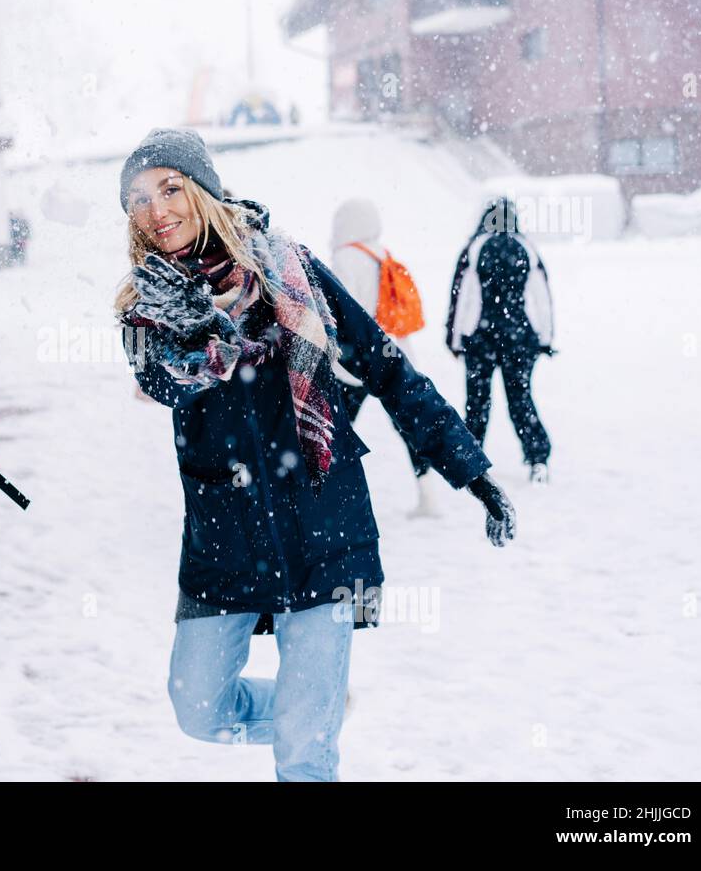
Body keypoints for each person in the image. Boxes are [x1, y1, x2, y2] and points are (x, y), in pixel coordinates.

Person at [115, 127, 516, 782]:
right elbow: (161, 385)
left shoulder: (290, 264)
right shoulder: (144, 304)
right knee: (197, 707)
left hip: (323, 523)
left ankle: (311, 721)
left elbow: (386, 366)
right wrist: (187, 330)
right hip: (224, 541)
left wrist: (471, 470)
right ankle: (311, 709)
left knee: (303, 755)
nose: (156, 208)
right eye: (138, 199)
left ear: (204, 189)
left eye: (169, 187)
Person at [329, 197, 439, 517]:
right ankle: (428, 494)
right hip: (393, 355)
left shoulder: (346, 258)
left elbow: (342, 313)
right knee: (407, 427)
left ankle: (330, 498)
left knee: (336, 430)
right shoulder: (383, 253)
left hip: (355, 362)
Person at [446, 197, 555, 484]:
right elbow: (541, 297)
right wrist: (545, 337)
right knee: (521, 399)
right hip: (520, 338)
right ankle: (538, 457)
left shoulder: (475, 247)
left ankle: (471, 459)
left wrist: (454, 339)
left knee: (477, 402)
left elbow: (461, 298)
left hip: (480, 338)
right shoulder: (527, 248)